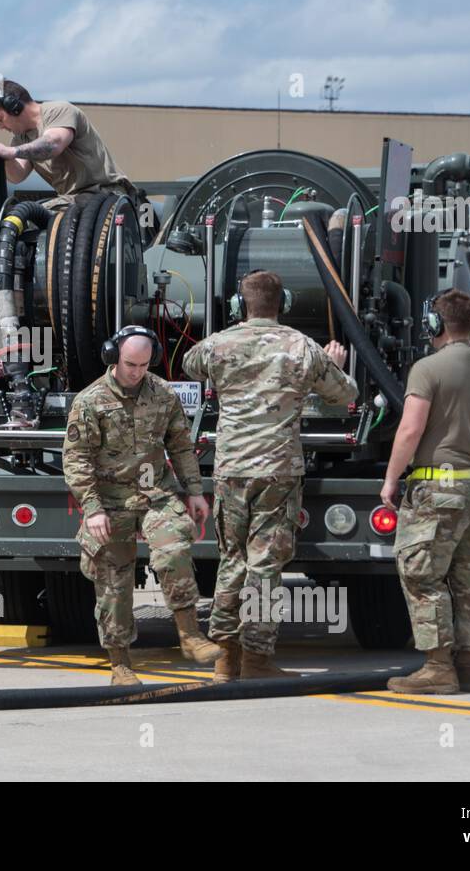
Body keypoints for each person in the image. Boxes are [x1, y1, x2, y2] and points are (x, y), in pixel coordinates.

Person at [183, 270, 356, 681]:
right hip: (278, 471)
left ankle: (225, 657)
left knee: (233, 559)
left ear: (239, 305)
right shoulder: (301, 346)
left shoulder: (219, 344)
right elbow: (344, 394)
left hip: (232, 469)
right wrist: (332, 366)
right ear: (286, 303)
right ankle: (257, 659)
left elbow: (191, 366)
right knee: (265, 565)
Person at [63, 326, 218, 686]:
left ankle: (189, 635)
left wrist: (194, 491)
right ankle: (120, 663)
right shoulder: (90, 401)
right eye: (130, 364)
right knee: (114, 584)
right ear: (113, 356)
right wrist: (92, 508)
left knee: (175, 547)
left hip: (155, 495)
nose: (136, 371)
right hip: (109, 501)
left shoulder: (163, 394)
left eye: (144, 365)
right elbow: (77, 459)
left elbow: (180, 444)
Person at [383, 289, 470, 695]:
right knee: (469, 578)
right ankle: (468, 666)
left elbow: (411, 429)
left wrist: (392, 479)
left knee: (422, 575)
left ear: (435, 325)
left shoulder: (427, 369)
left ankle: (437, 667)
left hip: (438, 487)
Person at [0, 78, 135, 208]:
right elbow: (17, 176)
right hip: (73, 201)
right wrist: (5, 158)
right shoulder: (21, 139)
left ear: (14, 107)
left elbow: (53, 144)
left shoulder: (60, 111)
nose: (1, 127)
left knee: (34, 217)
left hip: (106, 194)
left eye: (0, 119)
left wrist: (12, 152)